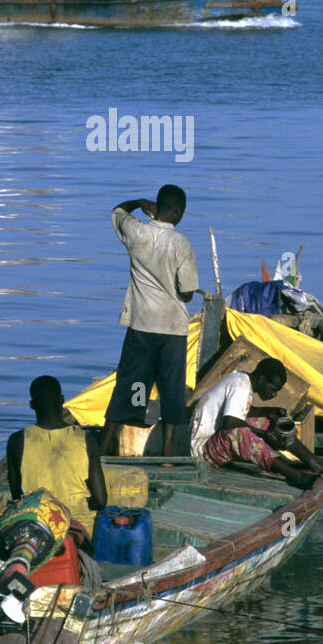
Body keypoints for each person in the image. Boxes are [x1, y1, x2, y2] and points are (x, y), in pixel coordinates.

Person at [100, 186, 198, 458]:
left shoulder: (137, 233)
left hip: (141, 327)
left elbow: (118, 212)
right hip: (172, 330)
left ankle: (105, 446)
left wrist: (138, 201)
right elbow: (188, 292)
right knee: (171, 390)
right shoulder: (181, 244)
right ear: (178, 212)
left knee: (130, 385)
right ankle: (167, 452)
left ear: (155, 207)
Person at [190, 358, 323, 487]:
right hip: (202, 454)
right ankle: (297, 476)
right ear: (261, 379)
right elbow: (229, 423)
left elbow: (242, 412)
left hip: (213, 444)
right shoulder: (240, 385)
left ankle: (313, 460)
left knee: (268, 423)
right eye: (272, 389)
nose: (274, 394)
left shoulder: (241, 380)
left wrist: (268, 411)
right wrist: (264, 435)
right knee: (240, 434)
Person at [6, 376, 107, 546]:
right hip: (80, 532)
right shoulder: (85, 439)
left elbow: (17, 496)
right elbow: (101, 500)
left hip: (36, 530)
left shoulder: (17, 441)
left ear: (32, 405)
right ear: (62, 401)